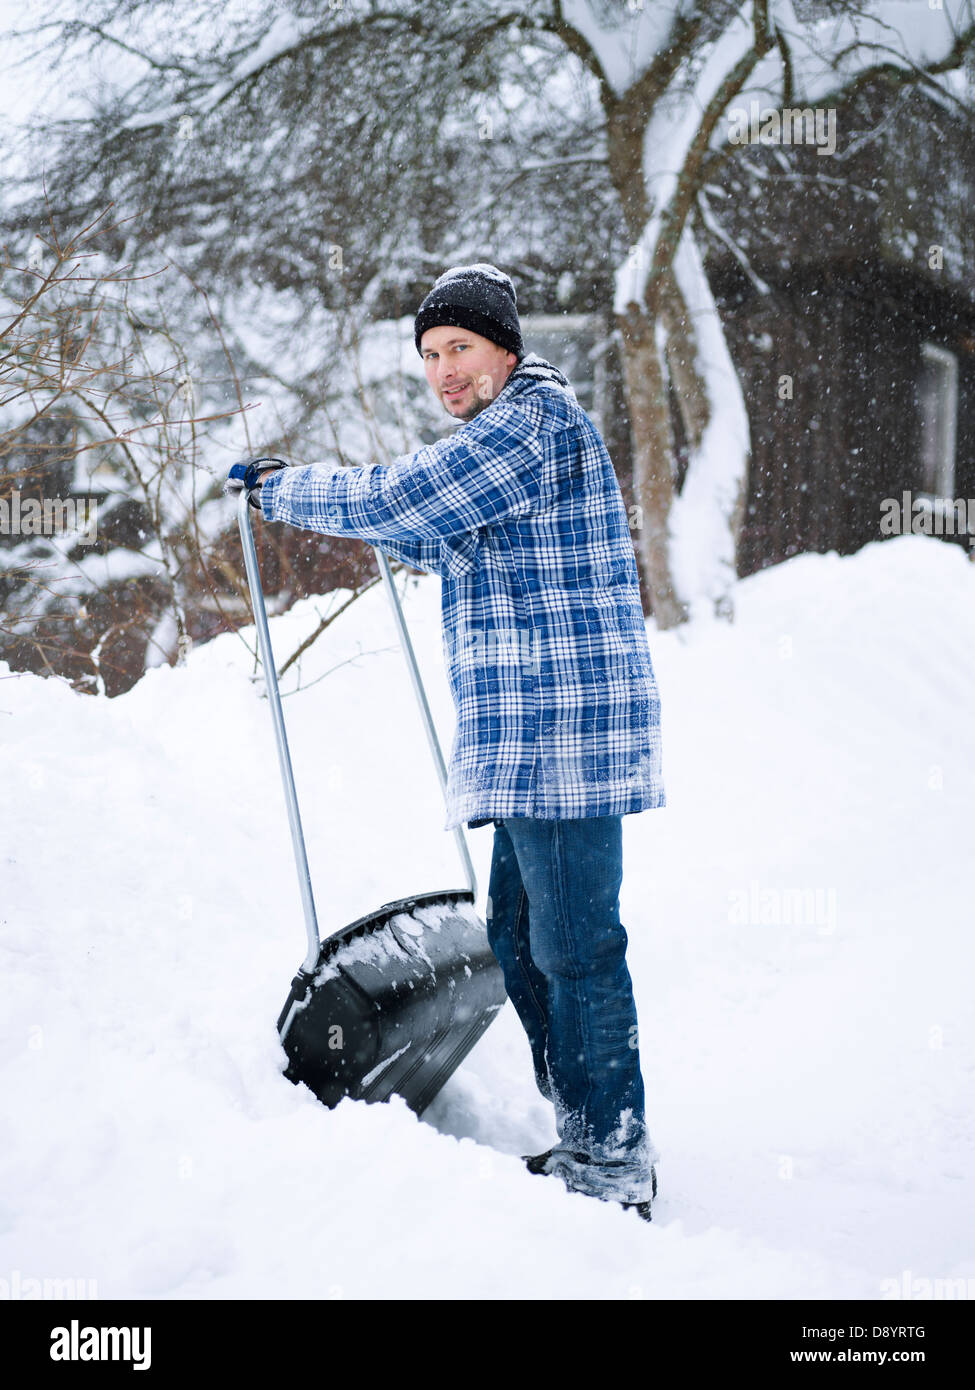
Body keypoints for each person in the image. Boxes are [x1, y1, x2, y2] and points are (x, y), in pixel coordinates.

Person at [227, 264, 666, 1218]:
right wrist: (371, 523)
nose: (443, 370)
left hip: (563, 734)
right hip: (527, 743)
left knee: (575, 948)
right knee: (517, 934)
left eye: (459, 348)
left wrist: (287, 489)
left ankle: (609, 1157)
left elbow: (411, 494)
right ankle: (584, 1128)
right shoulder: (508, 443)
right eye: (429, 355)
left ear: (506, 348)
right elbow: (441, 530)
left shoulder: (531, 422)